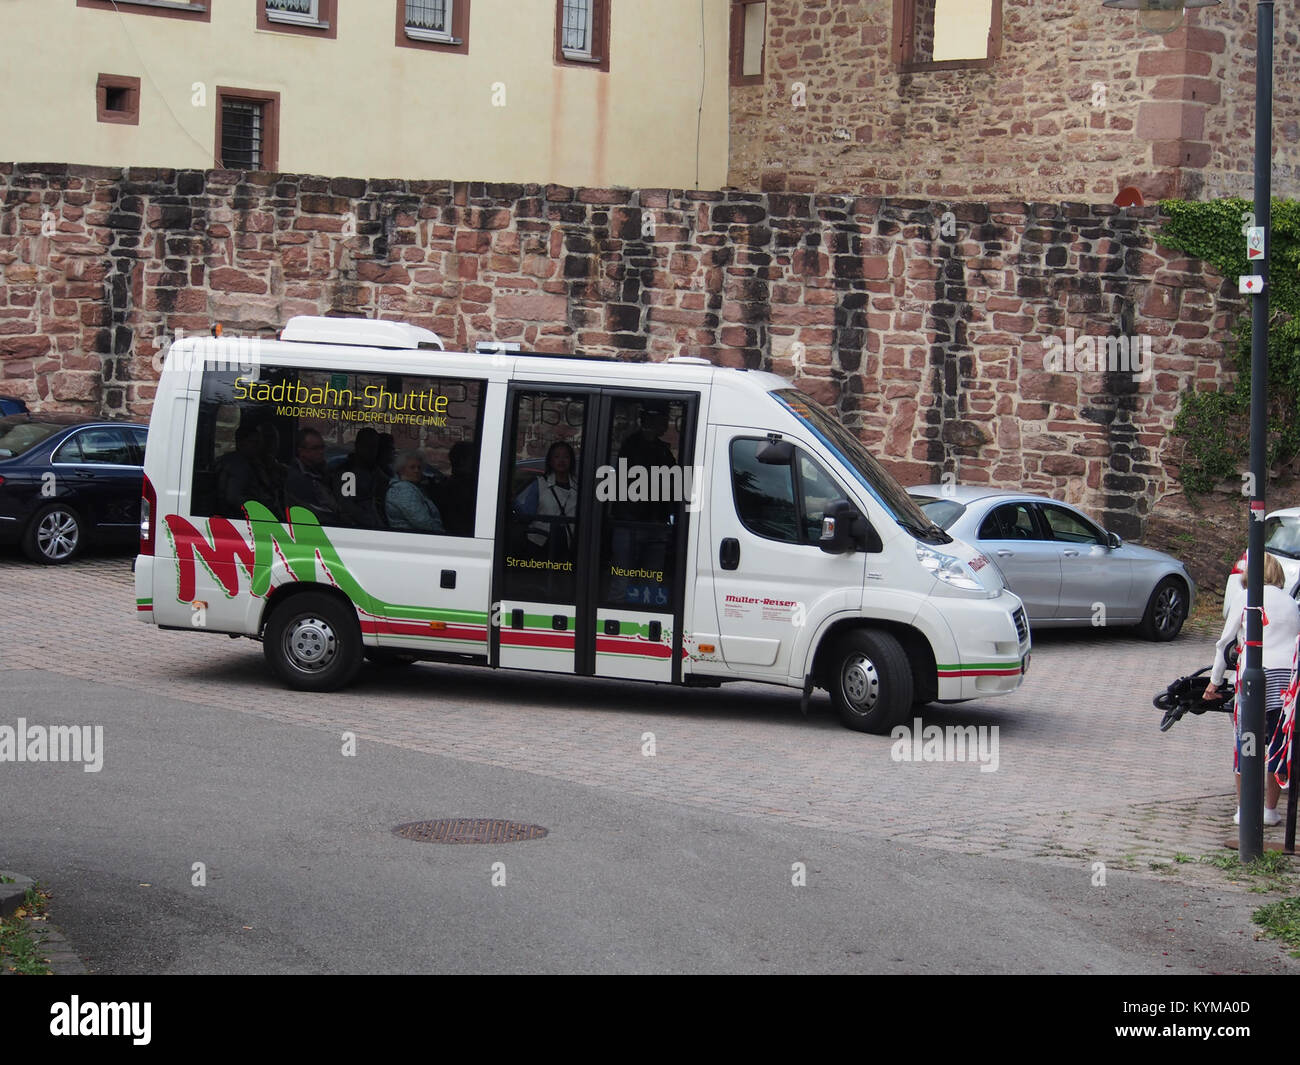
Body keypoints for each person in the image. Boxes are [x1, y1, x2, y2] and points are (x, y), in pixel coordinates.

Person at [1204, 552, 1300, 826]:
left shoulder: (1246, 599)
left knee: (1246, 742)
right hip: (1287, 680)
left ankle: (1245, 809)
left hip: (1257, 676)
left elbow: (1224, 644)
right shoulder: (1291, 602)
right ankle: (1270, 810)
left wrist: (1215, 681)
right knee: (1278, 744)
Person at [515, 440, 578, 557]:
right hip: (539, 544)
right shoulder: (539, 484)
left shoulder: (579, 488)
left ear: (571, 461)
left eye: (566, 457)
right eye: (557, 456)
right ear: (550, 460)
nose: (561, 460)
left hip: (568, 545)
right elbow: (526, 514)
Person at [284, 428, 343, 525]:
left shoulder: (321, 472)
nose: (321, 452)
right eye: (315, 448)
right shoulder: (298, 480)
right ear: (301, 451)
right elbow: (322, 514)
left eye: (322, 447)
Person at [334, 427, 384, 529]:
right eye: (367, 446)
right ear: (357, 446)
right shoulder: (348, 474)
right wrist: (372, 523)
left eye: (374, 447)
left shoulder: (376, 470)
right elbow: (348, 507)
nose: (371, 451)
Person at [385, 449, 445, 533]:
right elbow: (422, 522)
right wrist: (443, 534)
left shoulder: (412, 486)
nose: (417, 470)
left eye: (419, 467)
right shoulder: (403, 489)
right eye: (412, 467)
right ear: (401, 470)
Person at [433, 440, 479, 537]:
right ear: (463, 461)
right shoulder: (459, 488)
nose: (477, 463)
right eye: (474, 459)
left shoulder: (453, 484)